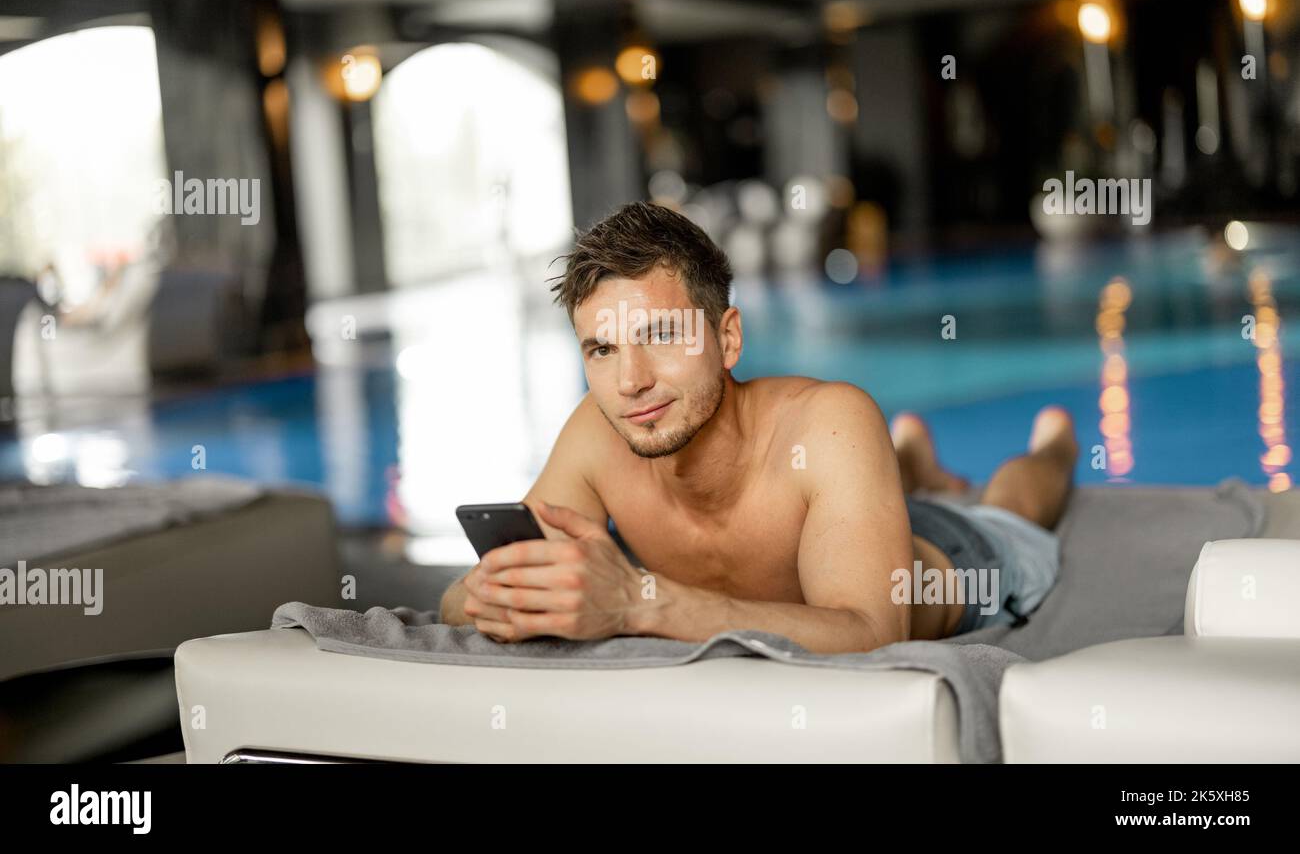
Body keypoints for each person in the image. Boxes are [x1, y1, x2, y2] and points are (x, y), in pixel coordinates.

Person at [440, 202, 1076, 653]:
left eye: (660, 335)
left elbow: (869, 634)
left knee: (1008, 504)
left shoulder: (830, 422)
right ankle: (908, 459)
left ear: (728, 337)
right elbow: (454, 602)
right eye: (601, 350)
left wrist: (640, 602)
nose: (629, 381)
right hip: (846, 511)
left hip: (944, 559)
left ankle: (1054, 443)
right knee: (872, 482)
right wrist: (499, 592)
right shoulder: (598, 430)